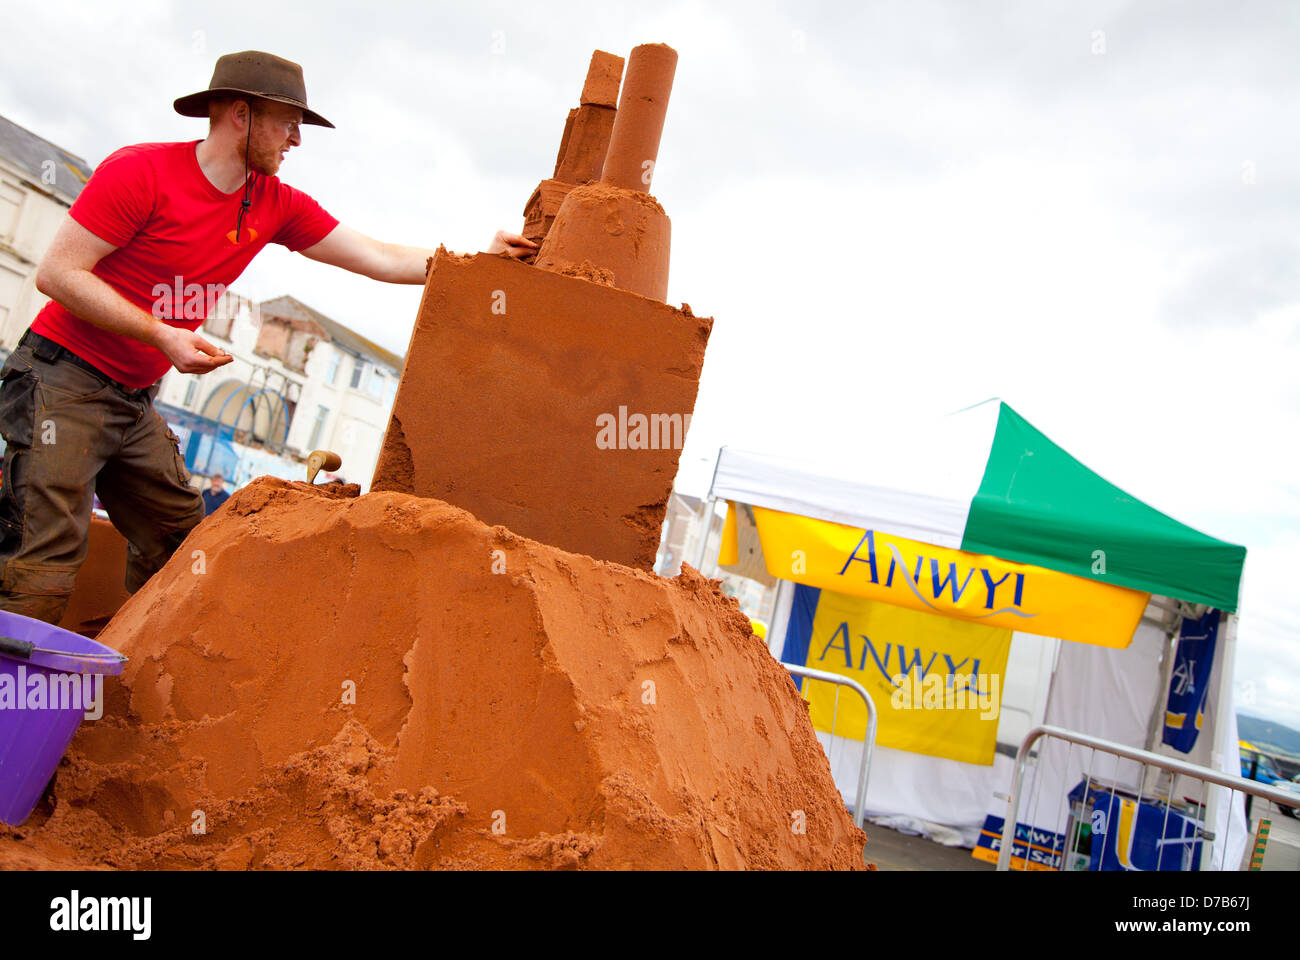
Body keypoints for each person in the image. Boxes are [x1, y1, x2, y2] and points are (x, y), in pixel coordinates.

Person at [0, 51, 537, 623]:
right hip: (61, 377)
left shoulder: (273, 204)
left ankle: (117, 664)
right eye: (288, 122)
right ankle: (23, 706)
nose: (296, 140)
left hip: (131, 400)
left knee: (185, 550)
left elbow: (378, 255)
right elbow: (58, 274)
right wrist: (163, 335)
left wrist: (479, 257)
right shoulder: (140, 172)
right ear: (240, 114)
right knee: (41, 560)